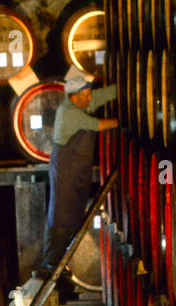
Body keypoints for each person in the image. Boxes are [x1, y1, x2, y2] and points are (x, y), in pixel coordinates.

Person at [36, 65, 117, 290]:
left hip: (75, 171)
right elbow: (98, 125)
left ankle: (59, 273)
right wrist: (124, 123)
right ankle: (50, 269)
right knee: (61, 216)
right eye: (86, 94)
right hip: (65, 171)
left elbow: (104, 95)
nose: (90, 97)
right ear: (74, 96)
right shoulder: (68, 112)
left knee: (71, 216)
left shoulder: (79, 103)